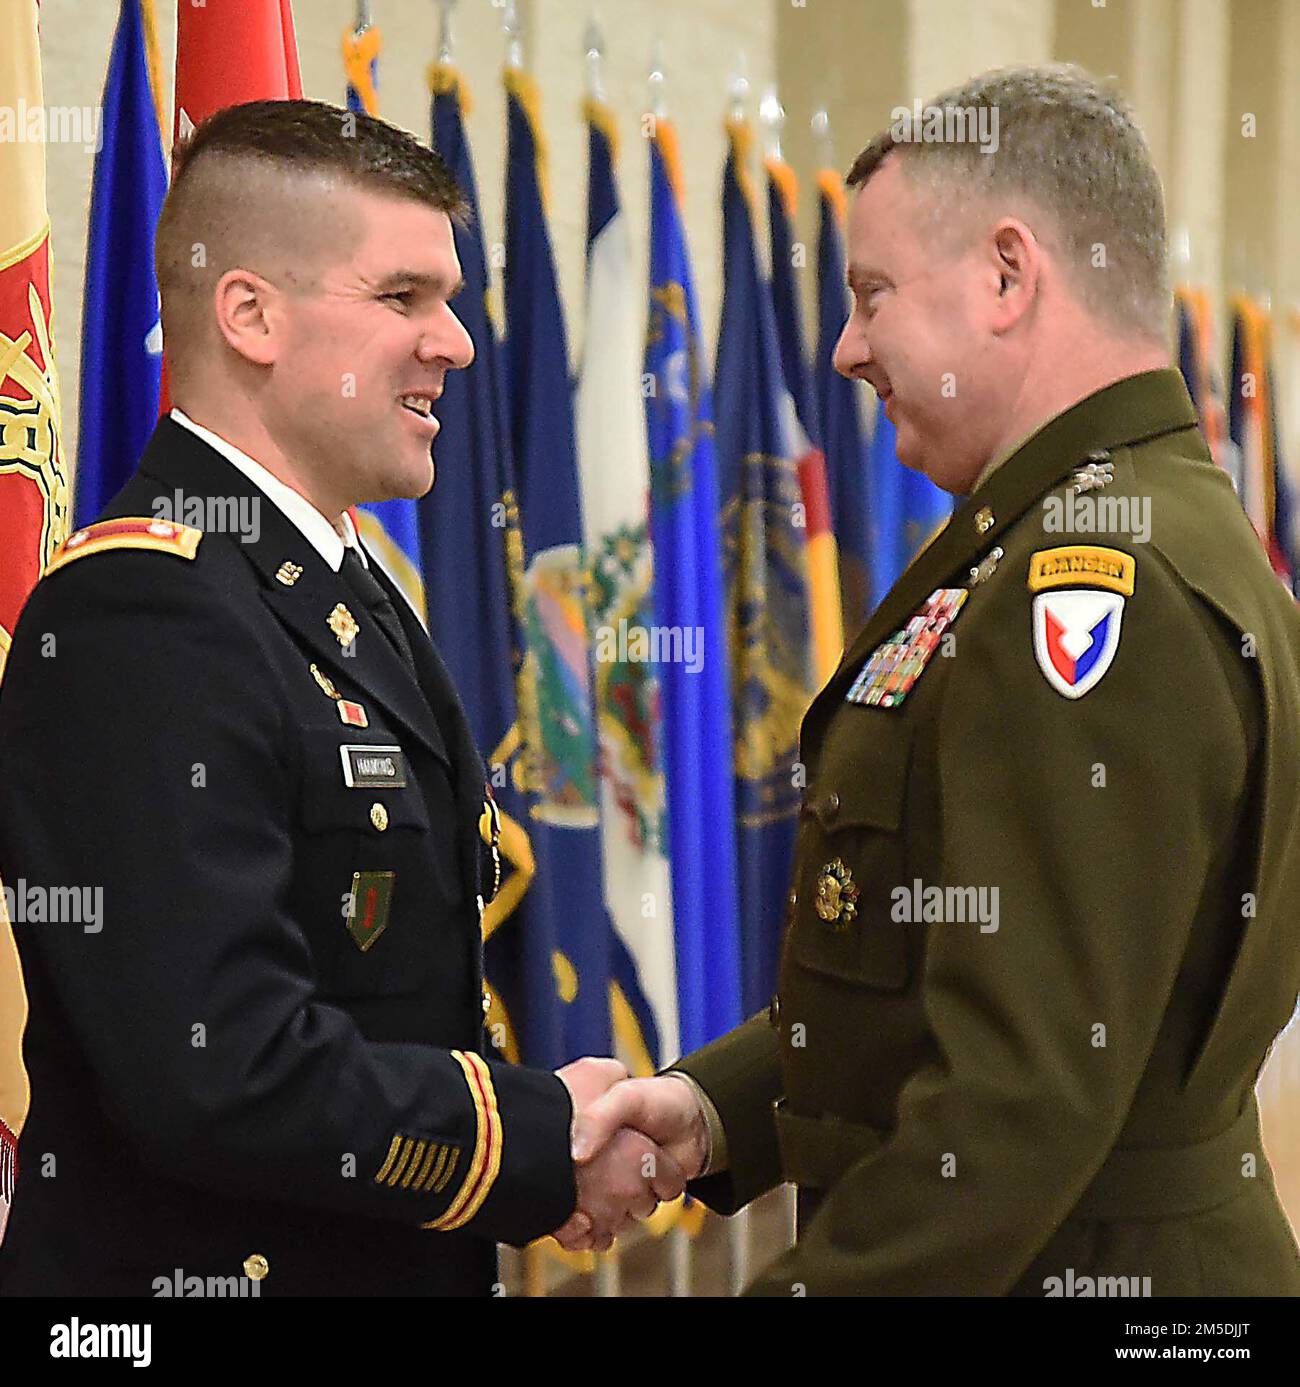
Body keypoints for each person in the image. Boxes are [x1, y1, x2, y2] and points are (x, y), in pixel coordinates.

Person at [565, 63, 1300, 1295]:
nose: (846, 349)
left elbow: (1014, 1107)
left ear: (1008, 276)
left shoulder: (1085, 585)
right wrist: (713, 1107)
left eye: (870, 295)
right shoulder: (1145, 524)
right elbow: (925, 963)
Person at [0, 99, 679, 1296]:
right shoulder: (145, 616)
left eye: (452, 300)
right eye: (405, 297)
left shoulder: (339, 587)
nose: (457, 342)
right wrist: (532, 1139)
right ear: (251, 314)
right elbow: (220, 1067)